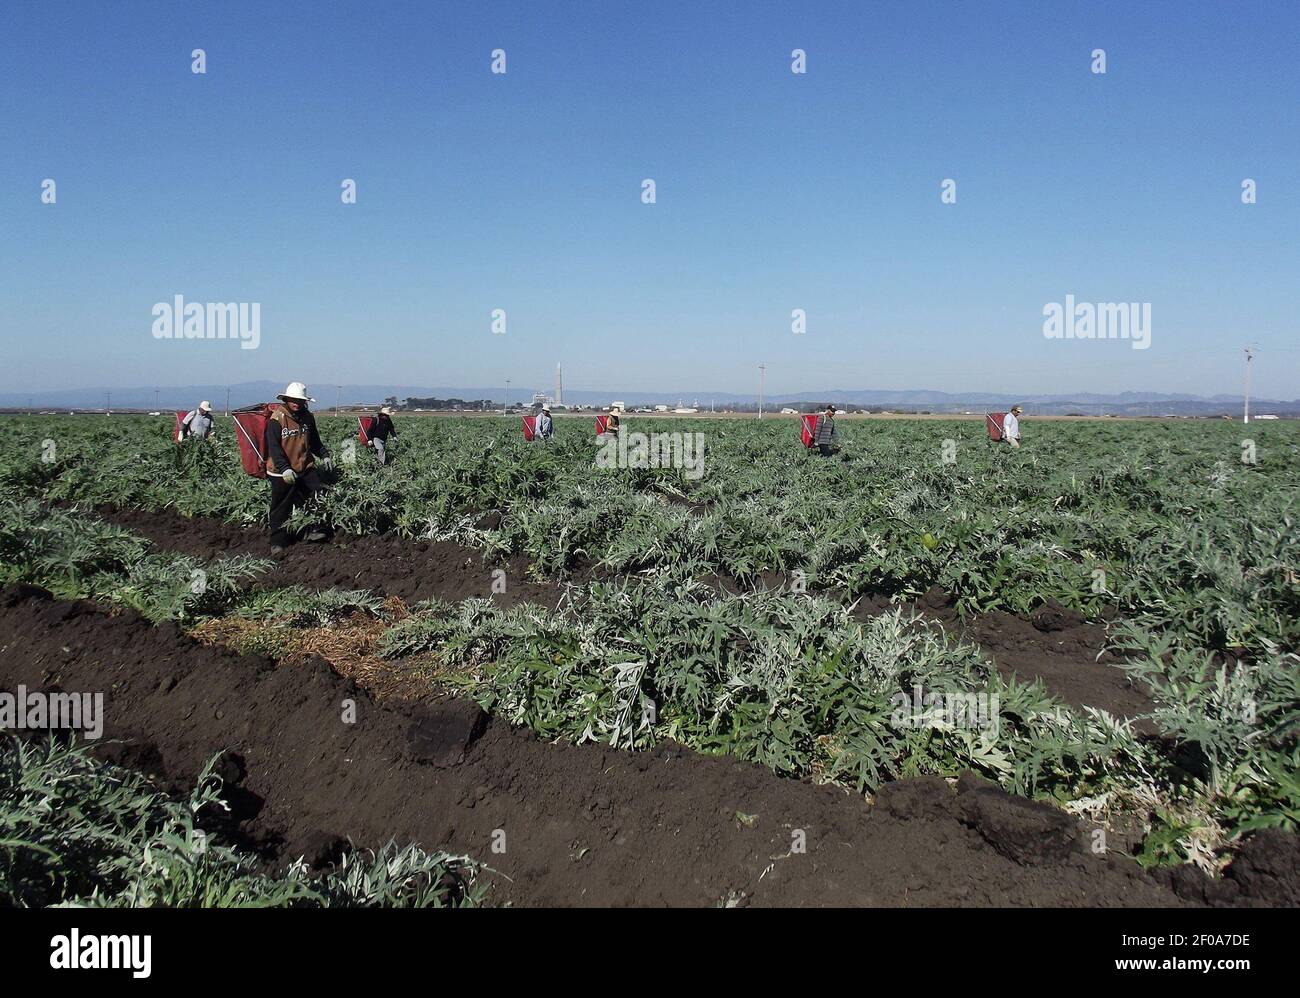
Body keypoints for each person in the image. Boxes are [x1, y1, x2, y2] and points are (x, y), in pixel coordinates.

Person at [265, 382, 333, 553]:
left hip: (304, 466)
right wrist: (284, 468)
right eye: (293, 399)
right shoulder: (277, 419)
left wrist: (324, 454)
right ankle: (278, 541)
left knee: (316, 495)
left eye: (299, 400)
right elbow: (273, 447)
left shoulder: (308, 417)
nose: (296, 402)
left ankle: (311, 531)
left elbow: (315, 441)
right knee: (282, 506)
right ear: (286, 399)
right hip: (281, 471)